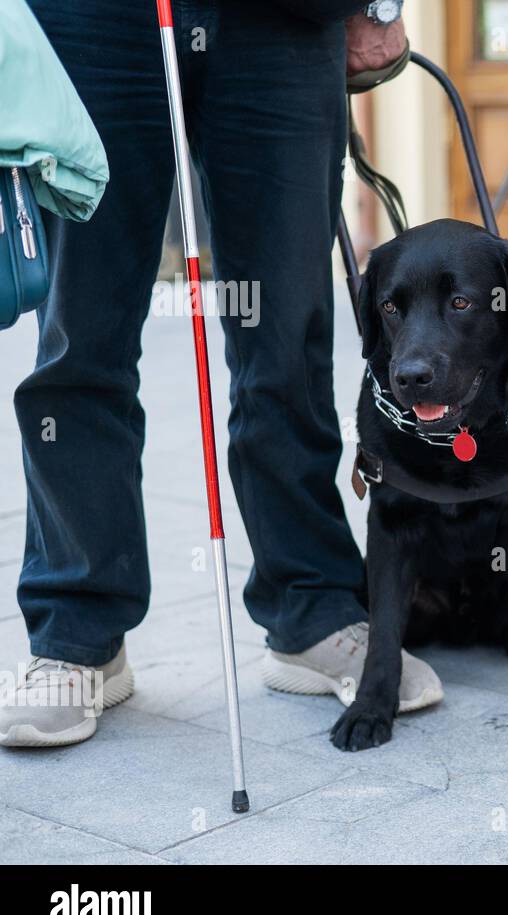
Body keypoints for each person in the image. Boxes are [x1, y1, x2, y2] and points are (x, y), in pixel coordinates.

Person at [0, 0, 442, 748]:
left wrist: (379, 2)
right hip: (91, 19)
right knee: (82, 337)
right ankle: (78, 633)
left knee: (289, 335)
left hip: (283, 24)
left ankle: (314, 608)